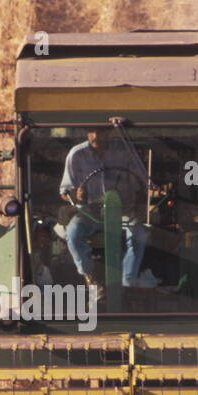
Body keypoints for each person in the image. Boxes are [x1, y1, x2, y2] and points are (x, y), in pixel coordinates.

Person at [59, 126, 158, 299]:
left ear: (109, 132)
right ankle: (90, 279)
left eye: (101, 131)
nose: (96, 135)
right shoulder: (76, 154)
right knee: (73, 233)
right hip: (89, 213)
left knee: (139, 234)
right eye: (92, 131)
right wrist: (76, 195)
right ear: (86, 132)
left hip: (123, 211)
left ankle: (128, 283)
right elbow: (64, 192)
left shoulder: (124, 152)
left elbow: (144, 183)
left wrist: (154, 191)